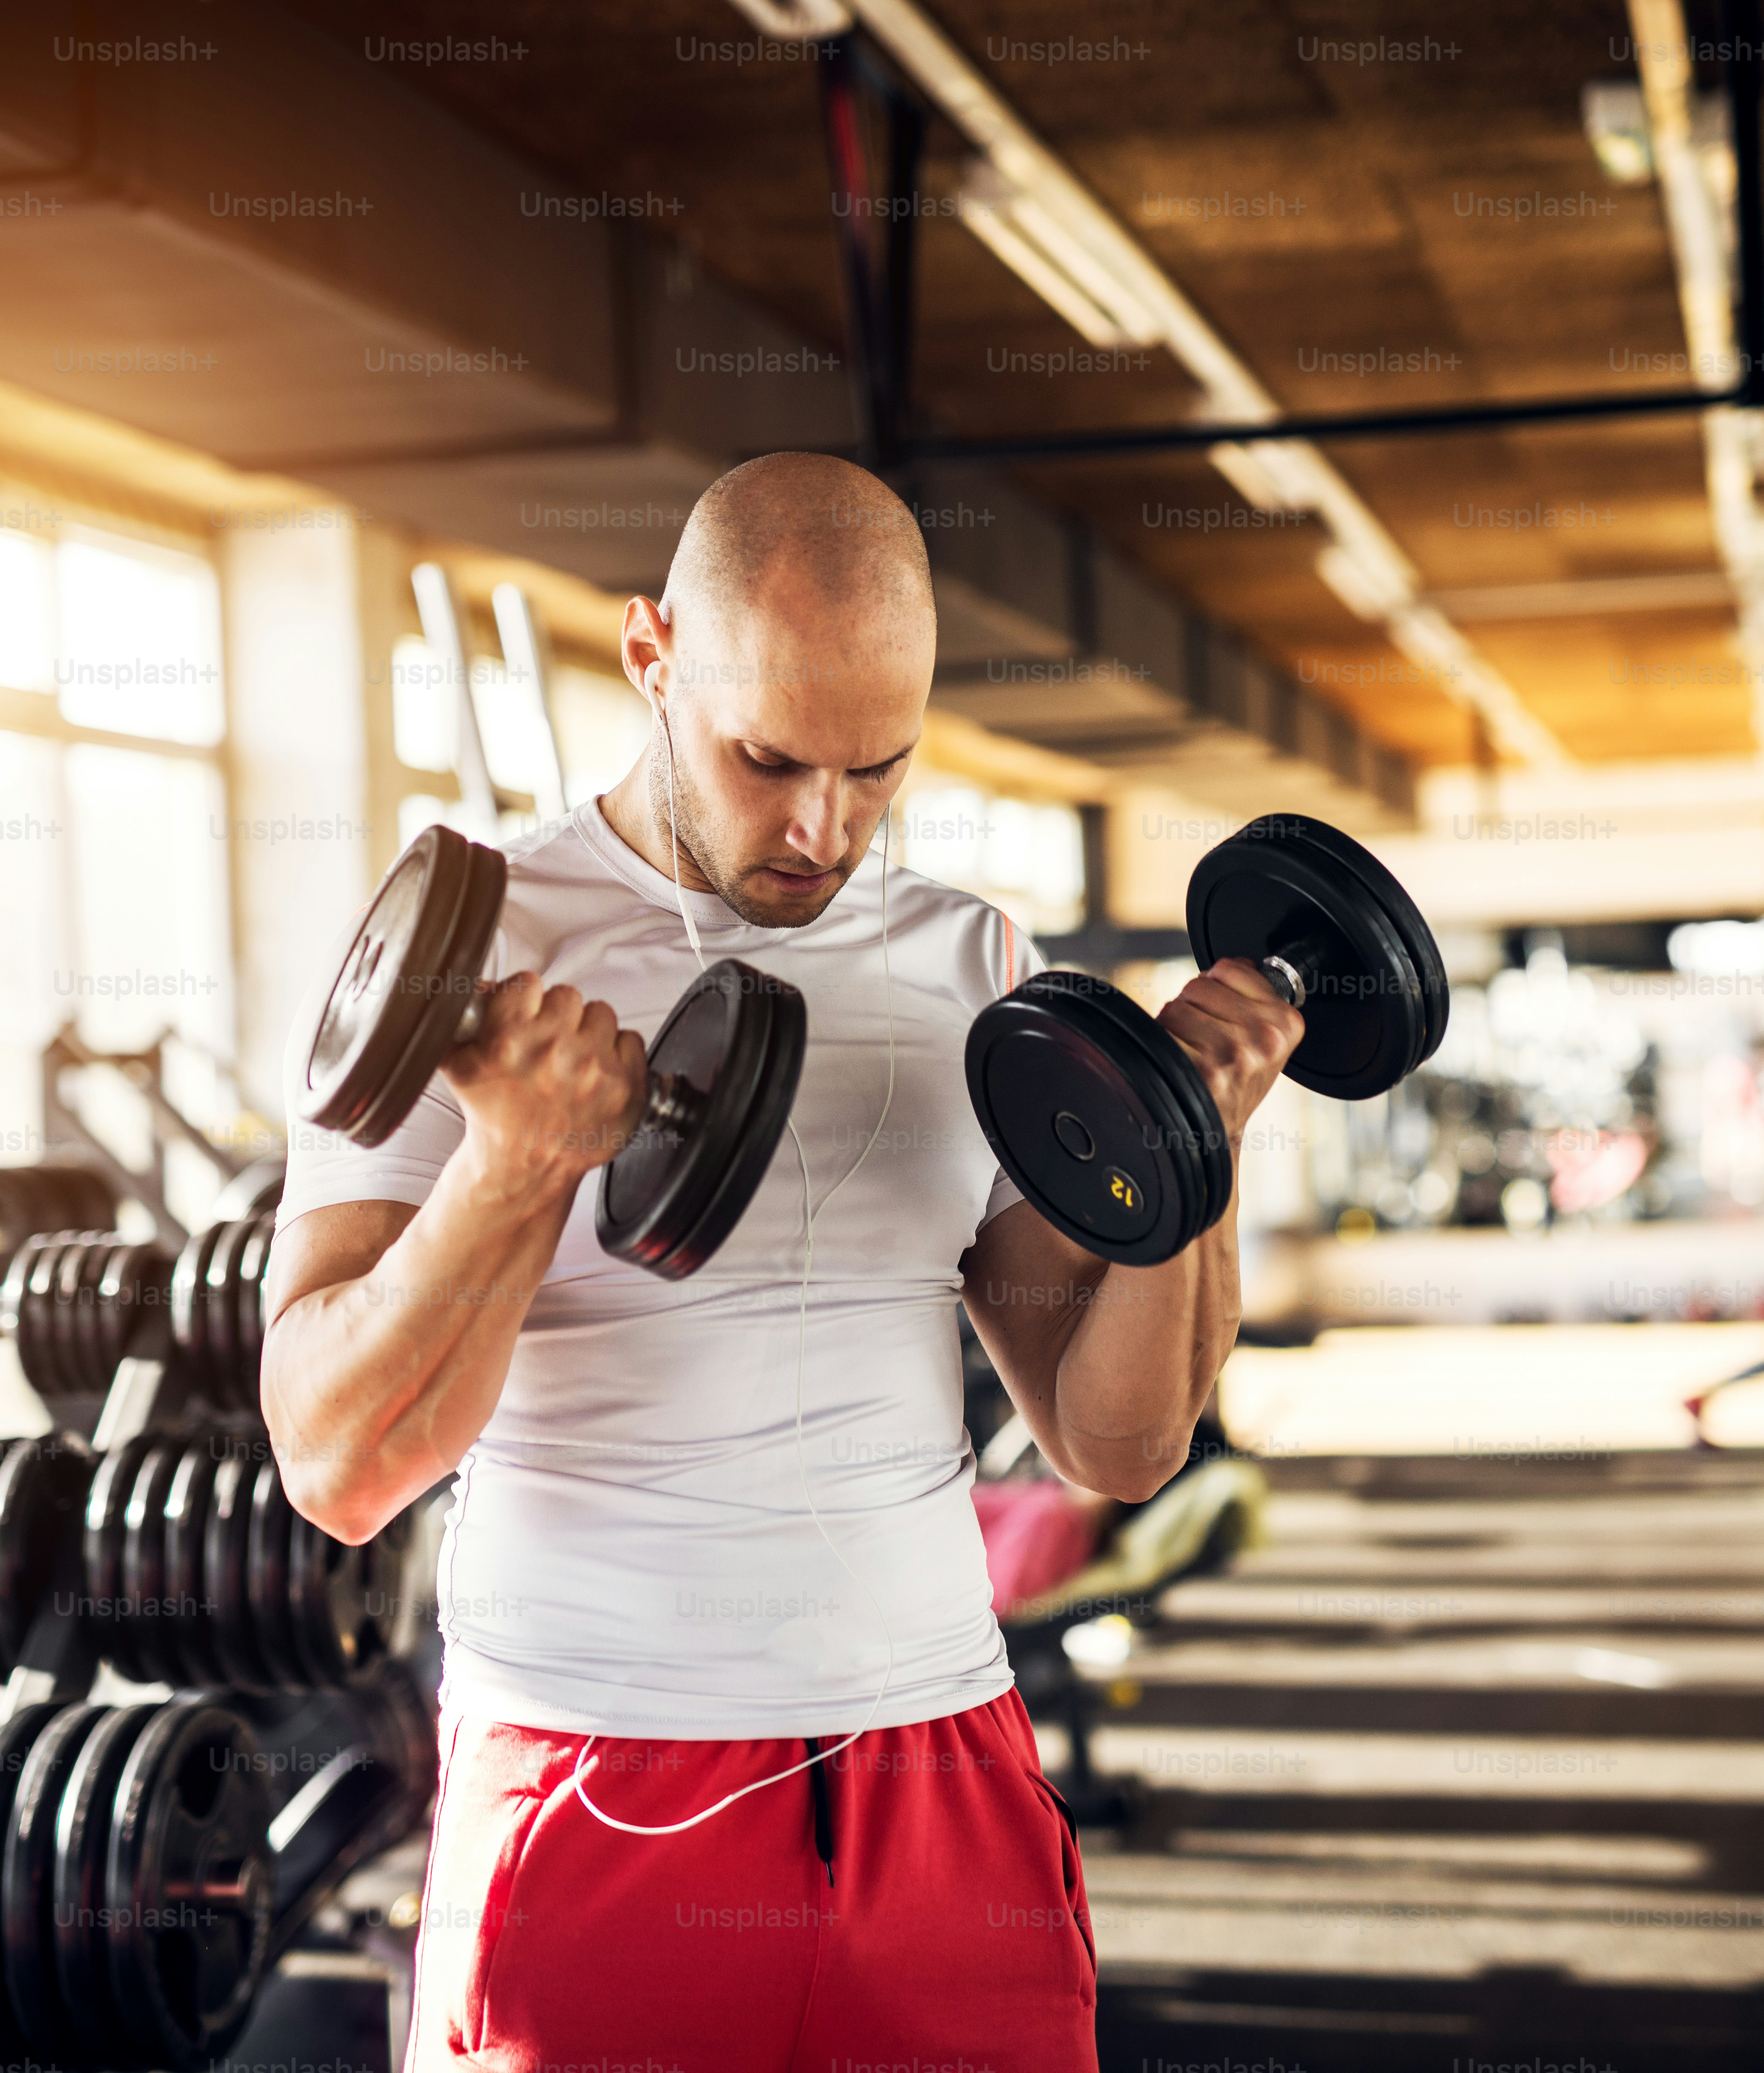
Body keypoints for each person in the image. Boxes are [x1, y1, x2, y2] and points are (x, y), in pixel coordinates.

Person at [260, 452, 1304, 2070]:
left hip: (942, 1769)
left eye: (878, 770)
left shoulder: (970, 965)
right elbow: (337, 1463)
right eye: (769, 760)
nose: (824, 829)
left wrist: (1193, 1149)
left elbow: (1117, 1440)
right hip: (602, 1778)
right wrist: (515, 1166)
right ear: (649, 657)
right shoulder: (478, 949)